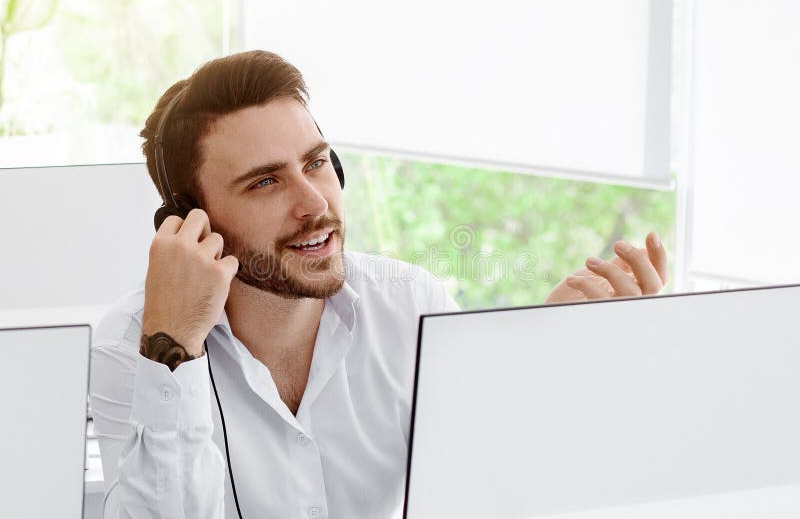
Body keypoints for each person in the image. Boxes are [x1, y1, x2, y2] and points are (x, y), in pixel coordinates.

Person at [90, 50, 668, 519]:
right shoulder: (131, 344)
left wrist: (556, 348)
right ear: (189, 223)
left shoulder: (408, 305)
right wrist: (175, 349)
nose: (314, 204)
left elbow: (494, 478)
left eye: (316, 163)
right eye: (265, 182)